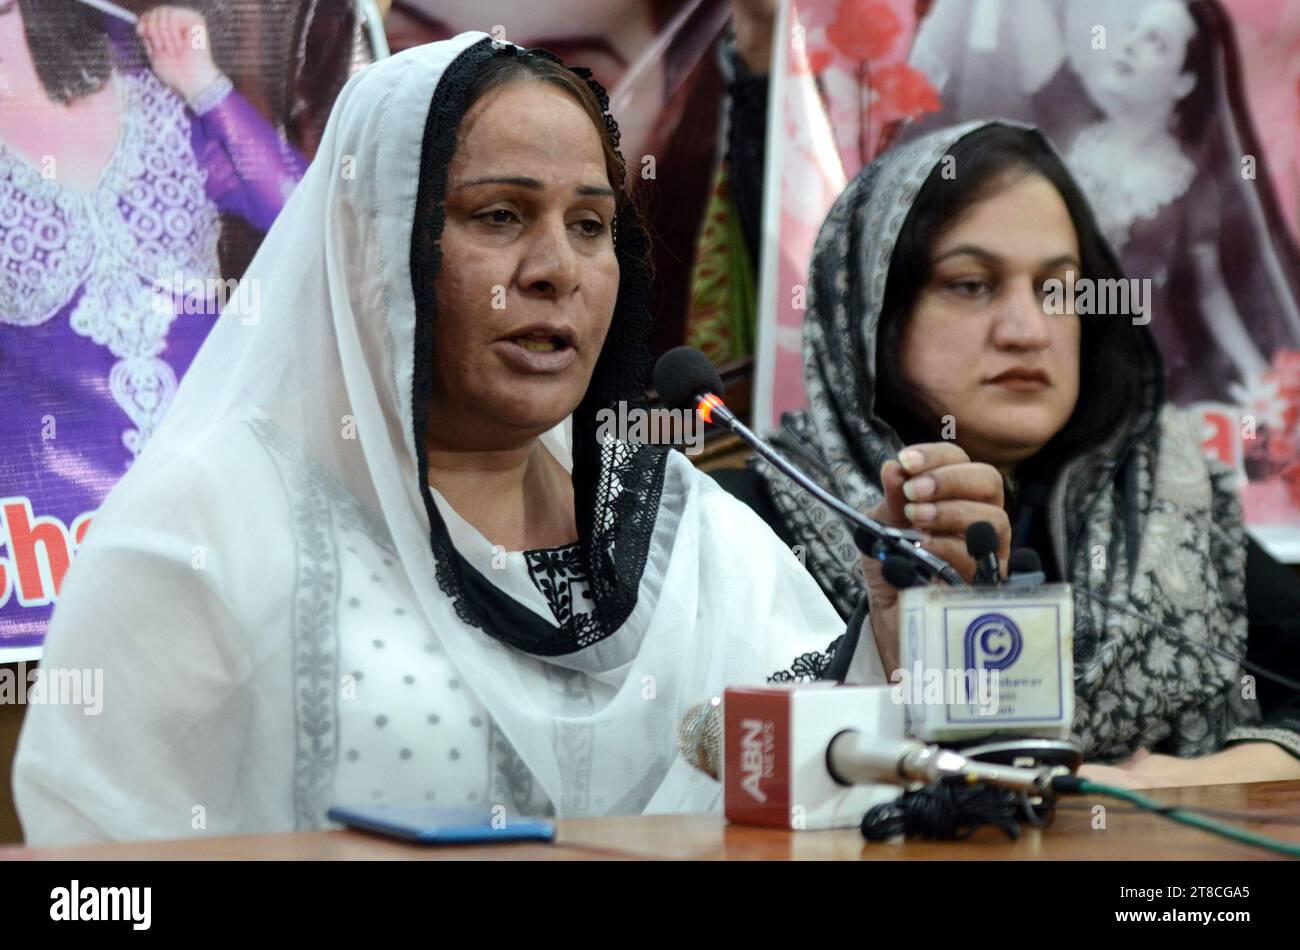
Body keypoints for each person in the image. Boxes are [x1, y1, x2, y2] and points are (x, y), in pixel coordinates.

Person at [12, 32, 878, 845]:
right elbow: (93, 866)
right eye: (500, 215)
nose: (554, 269)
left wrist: (898, 623)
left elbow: (830, 793)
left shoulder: (682, 530)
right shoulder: (212, 520)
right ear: (366, 247)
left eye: (589, 224)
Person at [716, 120, 1300, 788]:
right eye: (971, 285)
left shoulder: (1168, 502)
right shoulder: (751, 524)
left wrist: (1165, 782)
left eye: (1056, 290)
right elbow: (720, 759)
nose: (1027, 331)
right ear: (873, 309)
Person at [0, 1, 307, 649]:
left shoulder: (164, 99)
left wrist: (204, 84)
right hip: (50, 564)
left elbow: (306, 220)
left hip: (229, 516)